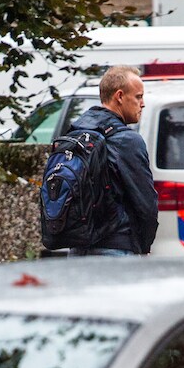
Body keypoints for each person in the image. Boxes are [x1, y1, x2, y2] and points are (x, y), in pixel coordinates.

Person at [65, 66, 158, 256]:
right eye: (139, 97)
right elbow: (145, 203)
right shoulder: (126, 140)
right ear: (120, 96)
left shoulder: (75, 133)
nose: (143, 104)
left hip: (77, 249)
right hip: (116, 247)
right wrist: (144, 245)